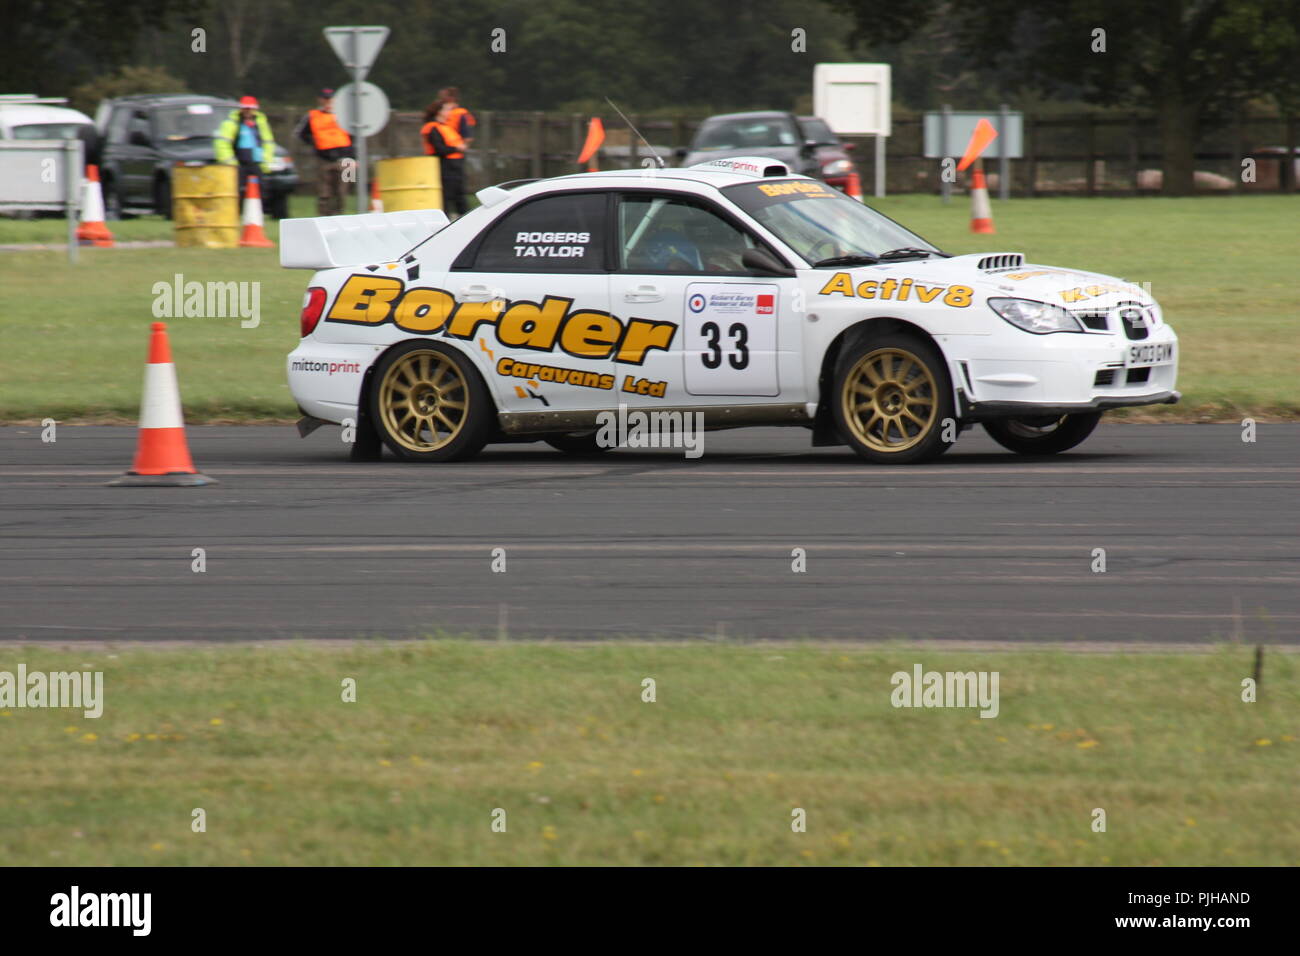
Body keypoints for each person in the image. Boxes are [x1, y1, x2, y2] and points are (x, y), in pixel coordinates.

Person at [294, 88, 355, 216]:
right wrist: (315, 143)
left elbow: (355, 136)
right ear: (320, 100)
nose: (328, 102)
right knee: (324, 192)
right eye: (326, 99)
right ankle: (324, 218)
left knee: (343, 190)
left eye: (331, 99)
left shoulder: (344, 115)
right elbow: (300, 133)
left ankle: (339, 216)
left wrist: (355, 158)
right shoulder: (312, 116)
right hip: (324, 159)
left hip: (346, 160)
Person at [214, 95, 276, 198]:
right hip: (239, 164)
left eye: (250, 108)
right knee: (238, 192)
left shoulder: (261, 123)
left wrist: (266, 161)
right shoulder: (232, 123)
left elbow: (268, 143)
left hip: (257, 163)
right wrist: (231, 163)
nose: (248, 111)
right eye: (245, 108)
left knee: (261, 191)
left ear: (255, 109)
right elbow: (222, 144)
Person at [421, 100, 467, 217]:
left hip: (455, 168)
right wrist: (457, 149)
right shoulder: (432, 127)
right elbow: (439, 149)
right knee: (445, 199)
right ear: (438, 112)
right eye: (446, 109)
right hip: (445, 167)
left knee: (460, 198)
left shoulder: (446, 127)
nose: (449, 112)